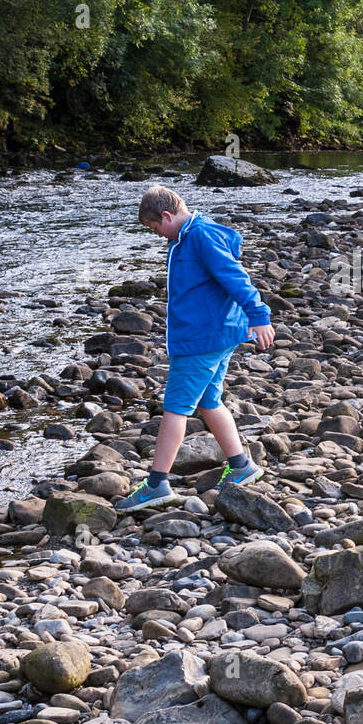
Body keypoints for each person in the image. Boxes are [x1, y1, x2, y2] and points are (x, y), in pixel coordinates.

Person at [116, 185, 274, 513]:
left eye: (155, 227)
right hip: (212, 335)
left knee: (175, 407)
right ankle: (242, 465)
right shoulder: (183, 238)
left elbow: (236, 278)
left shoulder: (200, 237)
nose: (157, 234)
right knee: (208, 401)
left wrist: (259, 315)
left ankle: (157, 483)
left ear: (166, 215)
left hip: (202, 339)